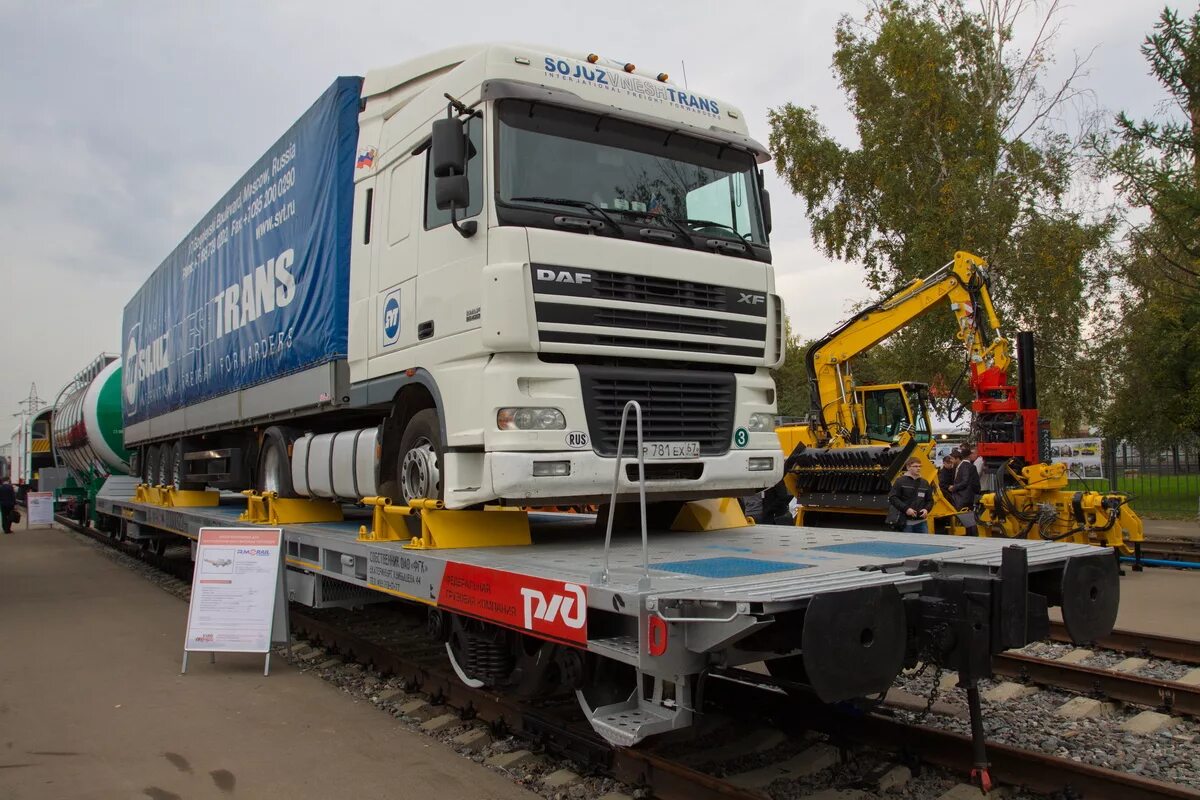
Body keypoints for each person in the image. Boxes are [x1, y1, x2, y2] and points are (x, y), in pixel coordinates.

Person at [887, 457, 934, 533]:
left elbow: (930, 500)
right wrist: (906, 509)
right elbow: (893, 498)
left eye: (920, 466)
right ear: (908, 467)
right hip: (906, 523)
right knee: (907, 544)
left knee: (924, 544)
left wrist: (926, 509)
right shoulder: (900, 481)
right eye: (915, 466)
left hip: (922, 522)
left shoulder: (924, 483)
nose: (918, 468)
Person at [950, 446, 982, 536]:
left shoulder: (965, 466)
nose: (951, 461)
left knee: (968, 520)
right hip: (967, 497)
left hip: (963, 497)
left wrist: (954, 487)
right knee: (968, 519)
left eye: (952, 459)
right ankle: (971, 535)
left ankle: (972, 536)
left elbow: (965, 481)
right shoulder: (968, 466)